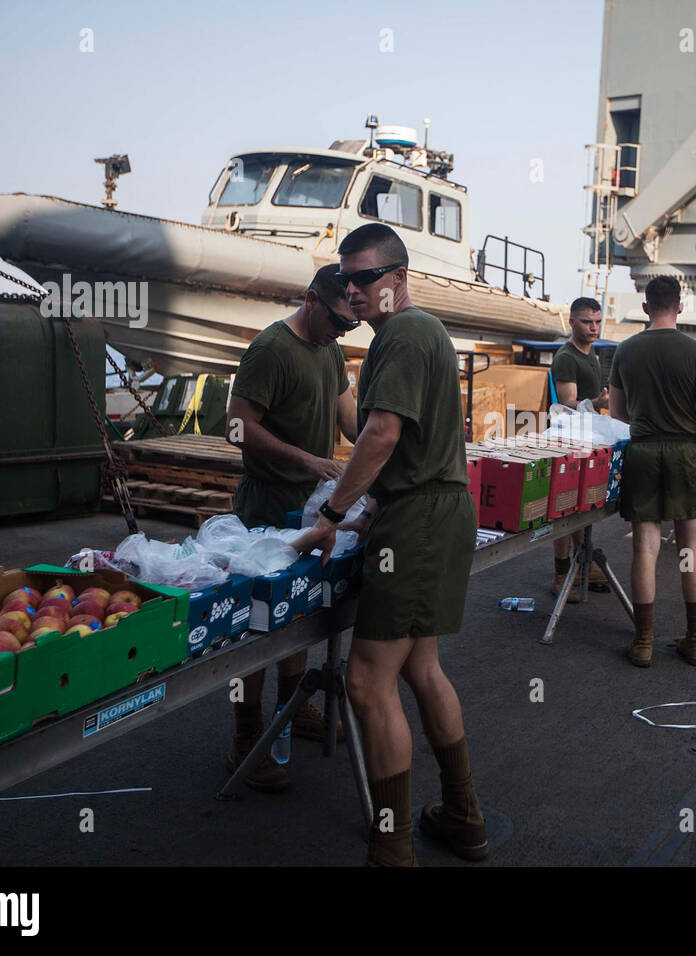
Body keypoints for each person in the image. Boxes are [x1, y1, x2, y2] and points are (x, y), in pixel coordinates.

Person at [293, 223, 484, 866]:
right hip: (427, 511)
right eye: (345, 278)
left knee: (367, 682)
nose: (352, 289)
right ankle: (463, 817)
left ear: (398, 278)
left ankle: (393, 847)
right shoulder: (415, 333)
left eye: (365, 276)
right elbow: (415, 445)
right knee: (421, 667)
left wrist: (332, 514)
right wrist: (370, 510)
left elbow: (380, 434)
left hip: (420, 523)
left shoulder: (402, 333)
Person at [224, 264, 359, 793]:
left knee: (297, 608)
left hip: (308, 507)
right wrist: (305, 459)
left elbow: (351, 420)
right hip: (265, 506)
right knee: (254, 626)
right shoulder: (271, 350)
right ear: (311, 300)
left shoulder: (331, 350)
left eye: (350, 326)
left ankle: (292, 706)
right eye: (337, 321)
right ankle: (246, 733)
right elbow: (236, 427)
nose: (340, 333)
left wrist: (390, 436)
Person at [609, 276, 696, 668]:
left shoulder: (625, 350)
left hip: (642, 453)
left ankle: (643, 642)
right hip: (685, 455)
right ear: (680, 306)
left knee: (645, 549)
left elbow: (617, 416)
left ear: (645, 307)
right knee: (690, 550)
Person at [550, 297, 612, 601]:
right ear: (572, 322)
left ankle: (580, 564)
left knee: (580, 506)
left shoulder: (591, 354)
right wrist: (598, 403)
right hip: (568, 441)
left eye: (597, 321)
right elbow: (566, 403)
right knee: (563, 507)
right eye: (587, 322)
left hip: (586, 439)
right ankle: (561, 574)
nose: (593, 327)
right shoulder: (566, 357)